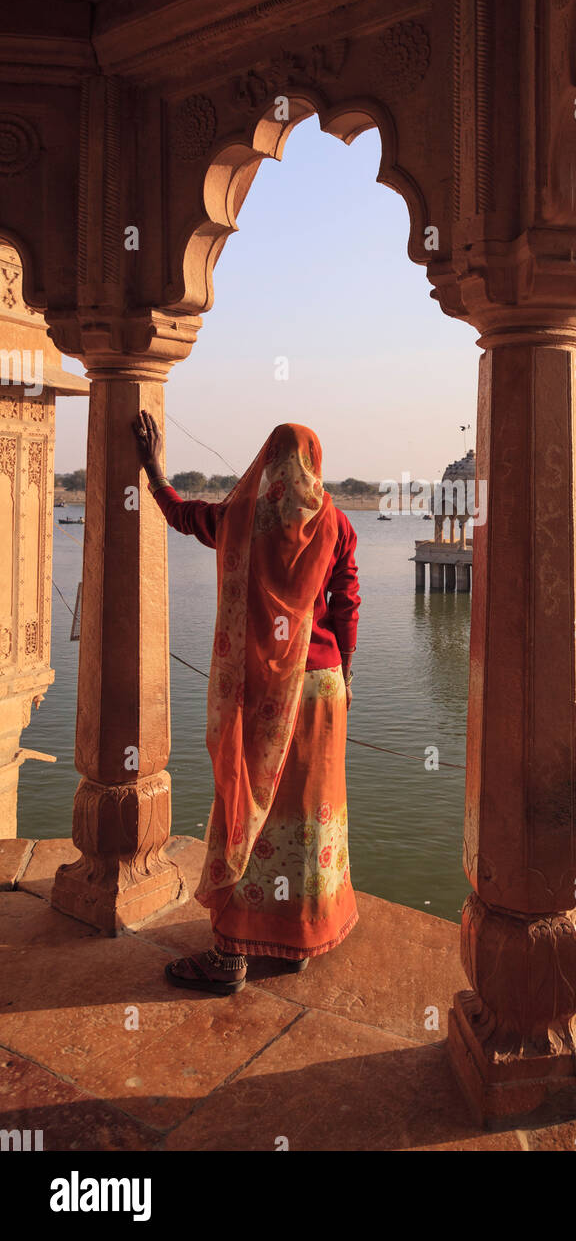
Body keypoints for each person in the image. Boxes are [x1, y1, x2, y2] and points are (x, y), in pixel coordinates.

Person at [133, 410, 361, 994]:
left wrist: (154, 468)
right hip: (322, 686)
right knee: (307, 815)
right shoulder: (335, 523)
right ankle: (294, 941)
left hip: (263, 692)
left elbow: (183, 515)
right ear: (314, 466)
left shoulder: (241, 519)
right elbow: (346, 606)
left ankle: (231, 955)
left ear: (267, 464)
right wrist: (346, 676)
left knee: (246, 810)